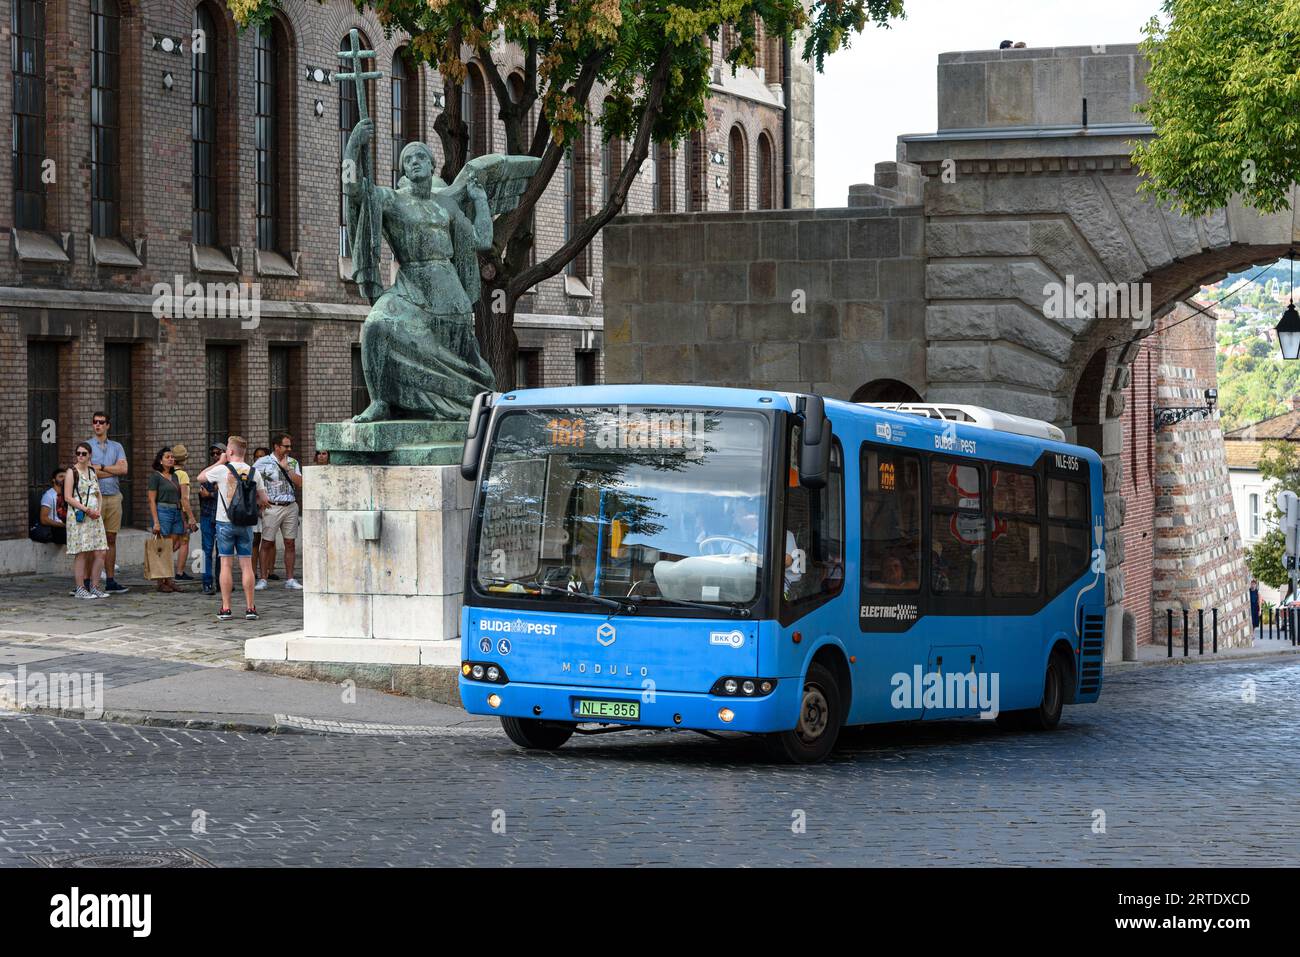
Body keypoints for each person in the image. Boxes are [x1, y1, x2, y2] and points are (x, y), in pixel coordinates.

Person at [198, 435, 269, 622]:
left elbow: (200, 477)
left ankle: (226, 607)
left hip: (224, 522)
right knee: (246, 565)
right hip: (245, 523)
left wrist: (220, 462)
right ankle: (250, 607)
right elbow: (263, 499)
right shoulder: (254, 472)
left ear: (230, 451)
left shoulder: (222, 469)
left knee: (226, 564)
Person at [254, 432, 303, 591]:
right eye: (286, 446)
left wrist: (288, 469)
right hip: (272, 506)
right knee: (267, 542)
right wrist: (258, 499)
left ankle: (290, 578)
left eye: (290, 446)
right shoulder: (263, 462)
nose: (289, 448)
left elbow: (300, 483)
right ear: (276, 446)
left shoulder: (293, 462)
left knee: (290, 542)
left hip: (290, 505)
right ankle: (263, 578)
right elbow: (250, 481)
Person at [88, 411, 129, 592]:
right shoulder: (87, 446)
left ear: (107, 425)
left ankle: (110, 579)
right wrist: (113, 470)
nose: (98, 425)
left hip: (113, 496)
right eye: (95, 422)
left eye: (101, 422)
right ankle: (88, 580)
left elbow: (124, 469)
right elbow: (89, 471)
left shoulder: (116, 446)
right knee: (93, 539)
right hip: (95, 498)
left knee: (111, 537)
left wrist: (103, 468)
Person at [64, 442, 109, 600]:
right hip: (80, 517)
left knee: (100, 551)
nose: (81, 456)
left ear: (90, 455)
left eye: (84, 453)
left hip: (95, 517)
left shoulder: (91, 471)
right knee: (82, 552)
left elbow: (98, 493)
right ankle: (80, 587)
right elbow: (68, 497)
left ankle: (95, 586)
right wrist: (86, 510)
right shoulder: (72, 472)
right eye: (78, 453)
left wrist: (98, 510)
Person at [147, 447, 185, 593]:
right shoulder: (155, 477)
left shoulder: (175, 476)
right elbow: (151, 500)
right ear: (160, 460)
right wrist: (155, 521)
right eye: (168, 457)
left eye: (172, 457)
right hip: (163, 511)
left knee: (172, 546)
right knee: (162, 547)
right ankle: (161, 581)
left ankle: (168, 579)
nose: (171, 459)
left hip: (176, 511)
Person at [197, 442, 223, 595]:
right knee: (206, 550)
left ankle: (222, 581)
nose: (215, 456)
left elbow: (229, 495)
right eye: (212, 453)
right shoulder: (208, 472)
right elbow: (202, 492)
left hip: (222, 517)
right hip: (207, 514)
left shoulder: (229, 471)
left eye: (218, 453)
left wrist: (212, 494)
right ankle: (206, 582)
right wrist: (214, 493)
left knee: (223, 551)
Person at [171, 444, 199, 582]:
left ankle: (160, 565)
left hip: (168, 511)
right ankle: (180, 572)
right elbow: (185, 499)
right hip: (180, 513)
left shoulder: (167, 473)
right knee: (183, 542)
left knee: (172, 541)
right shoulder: (182, 475)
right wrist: (191, 517)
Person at [31, 469, 68, 546]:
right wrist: (63, 525)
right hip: (54, 529)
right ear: (54, 480)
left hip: (65, 527)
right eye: (61, 476)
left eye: (66, 477)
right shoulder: (49, 496)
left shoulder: (67, 495)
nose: (64, 479)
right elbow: (43, 519)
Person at [251, 445, 271, 580]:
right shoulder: (251, 471)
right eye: (256, 456)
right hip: (256, 508)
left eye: (261, 456)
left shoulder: (271, 470)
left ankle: (269, 569)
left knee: (269, 540)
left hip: (270, 507)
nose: (258, 459)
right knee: (255, 540)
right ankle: (252, 571)